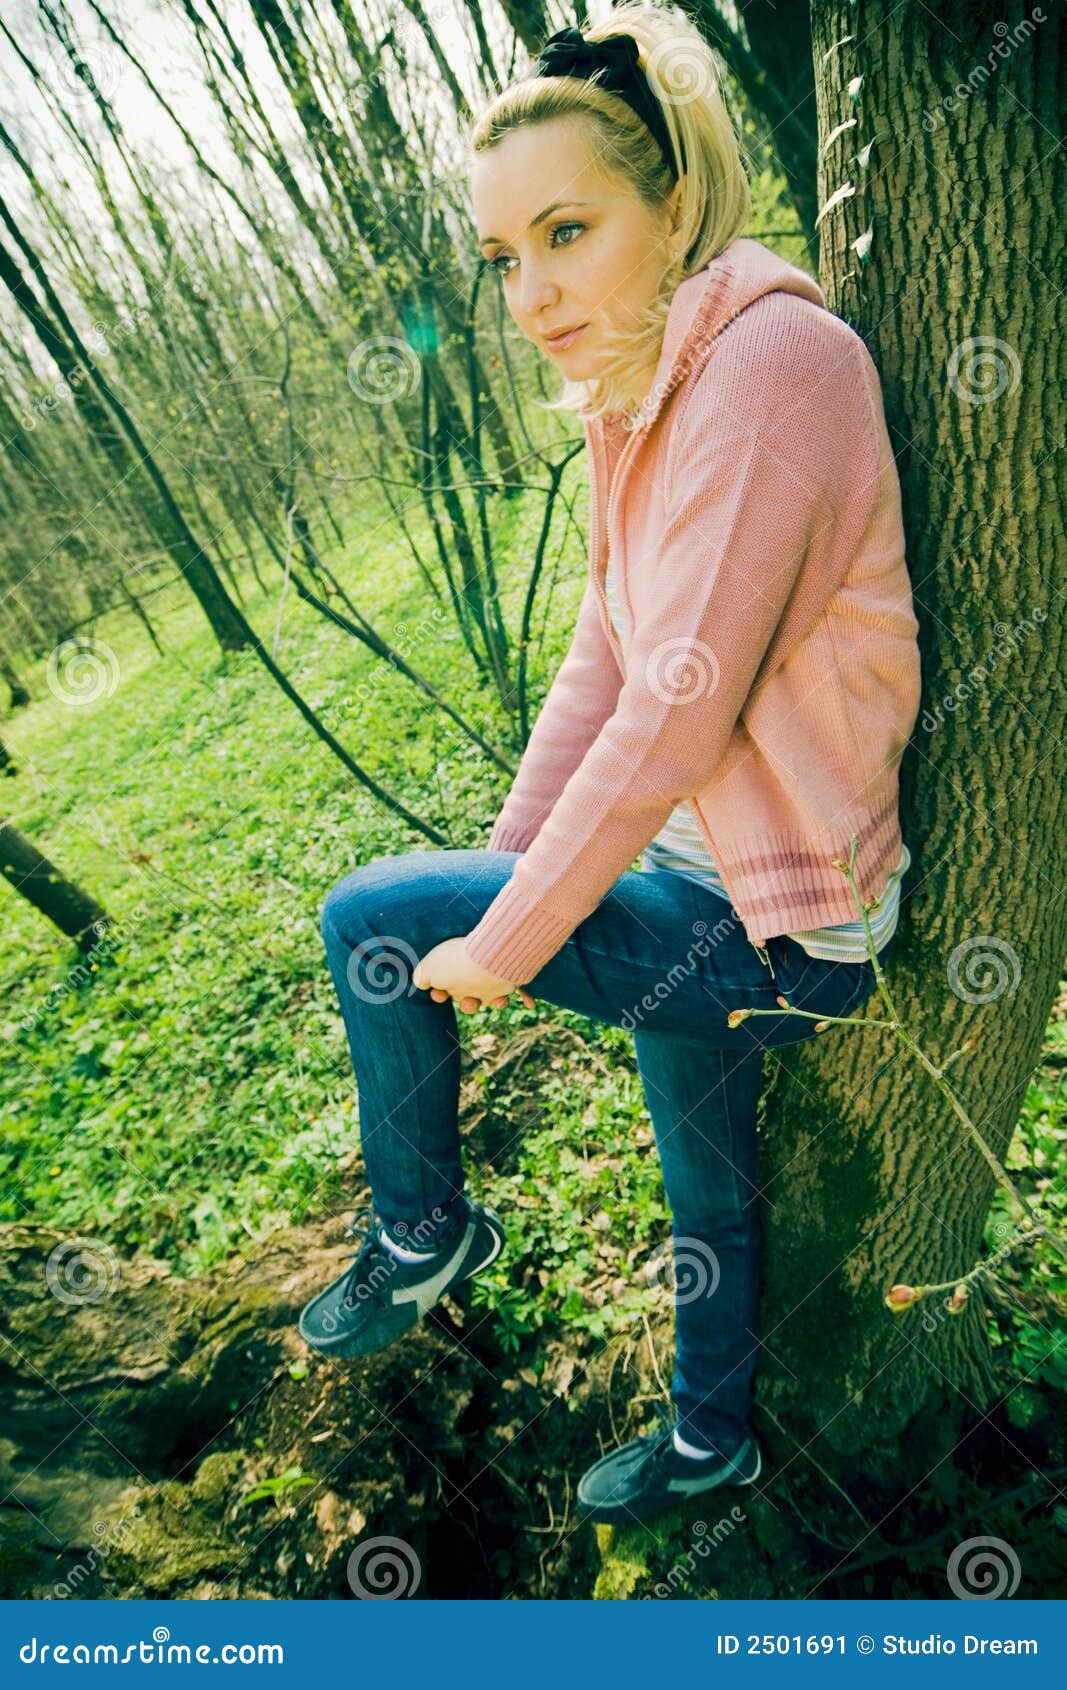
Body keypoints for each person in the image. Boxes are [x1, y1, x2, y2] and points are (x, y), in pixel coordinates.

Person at [299, 1, 922, 1526]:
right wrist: (519, 872)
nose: (528, 292)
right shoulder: (642, 398)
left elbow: (676, 715)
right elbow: (604, 654)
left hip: (777, 922)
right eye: (505, 258)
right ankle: (717, 1438)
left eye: (566, 233)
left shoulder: (771, 364)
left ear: (678, 205)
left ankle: (422, 1228)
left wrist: (501, 939)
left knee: (363, 917)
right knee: (707, 1190)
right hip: (690, 879)